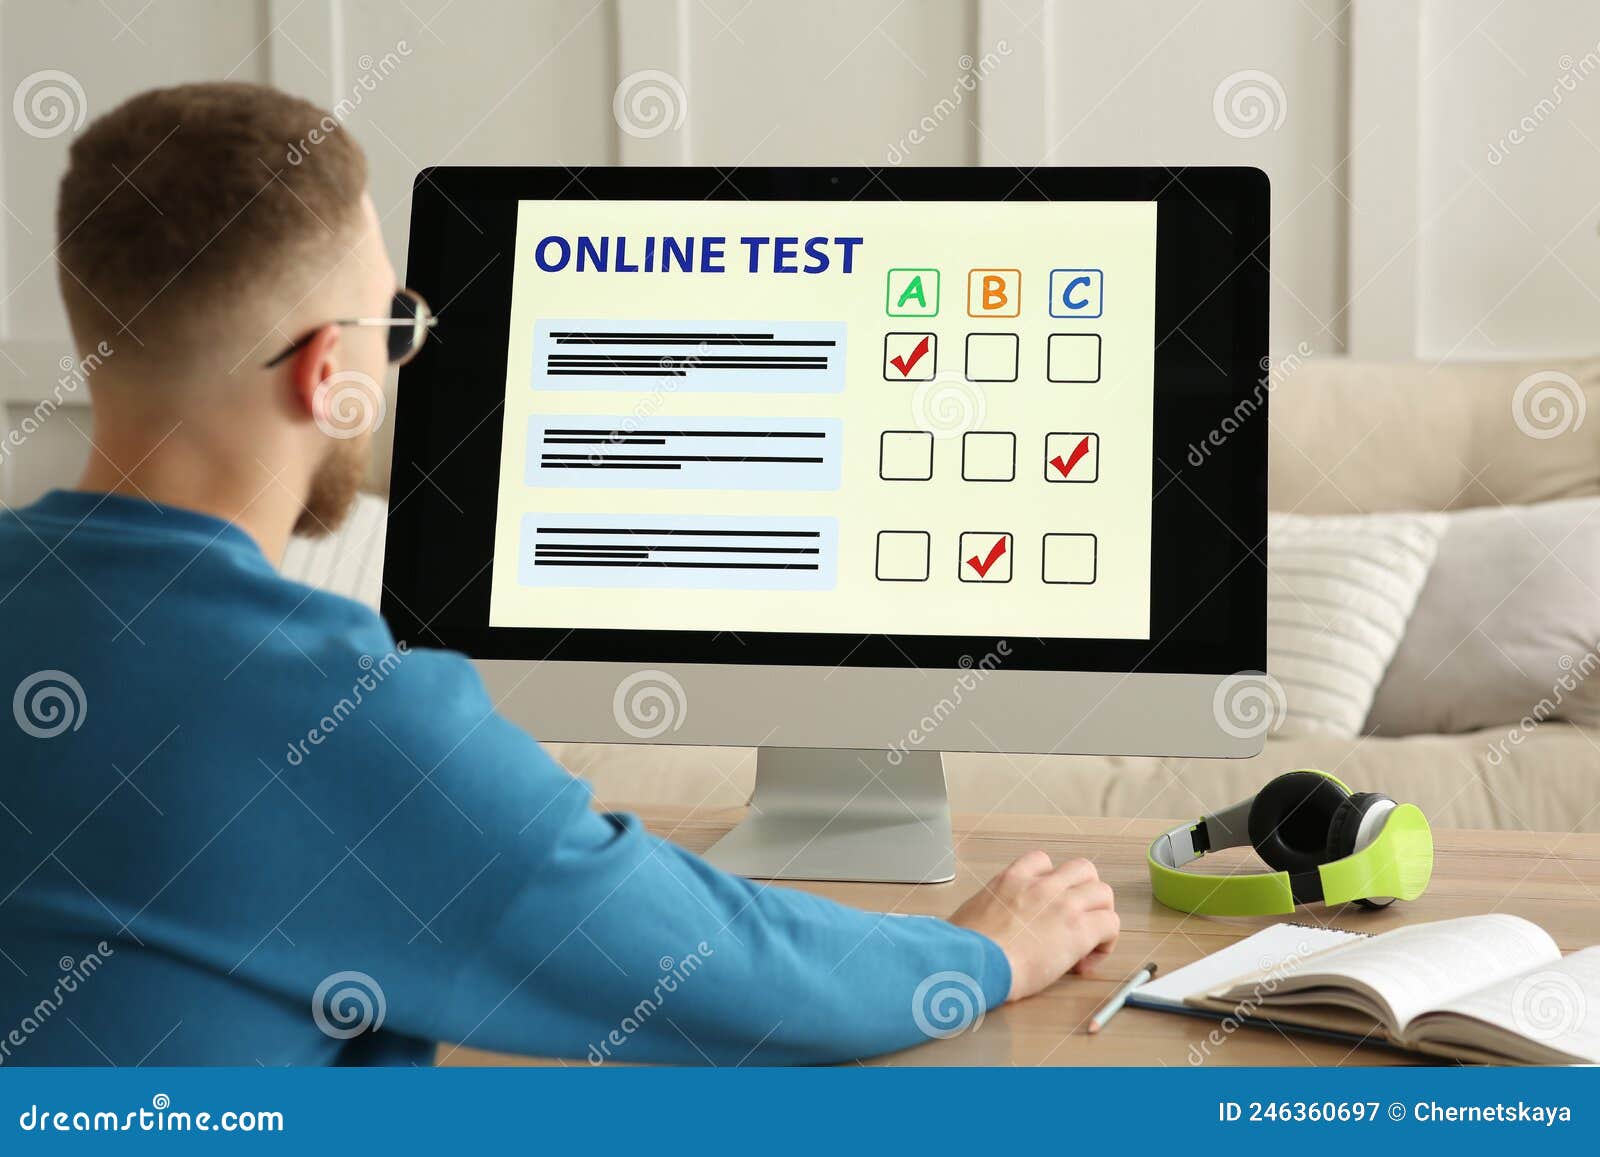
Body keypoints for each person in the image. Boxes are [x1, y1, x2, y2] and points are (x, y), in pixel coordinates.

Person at [0, 83, 1118, 1066]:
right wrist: (986, 950)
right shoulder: (328, 716)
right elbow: (719, 971)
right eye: (398, 324)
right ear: (327, 370)